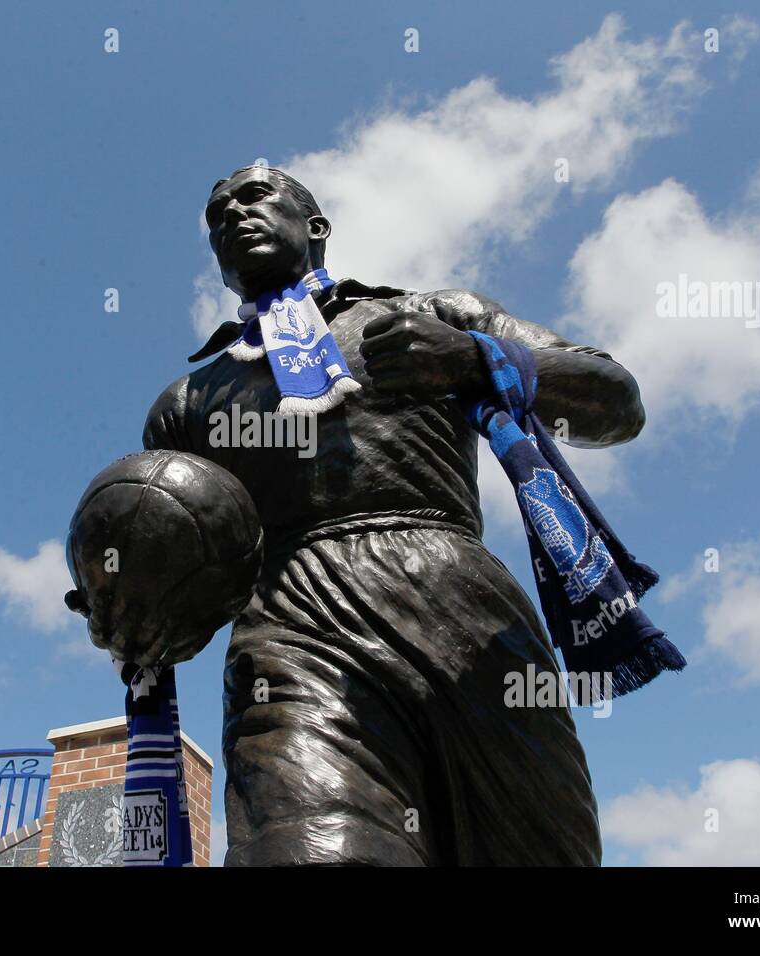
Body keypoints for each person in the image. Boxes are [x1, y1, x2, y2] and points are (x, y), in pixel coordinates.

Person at [141, 165, 646, 865]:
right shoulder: (188, 403)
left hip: (467, 619)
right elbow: (175, 574)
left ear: (316, 227)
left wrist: (475, 359)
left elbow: (617, 402)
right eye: (215, 215)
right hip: (292, 635)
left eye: (253, 198)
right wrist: (132, 602)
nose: (230, 216)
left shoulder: (434, 315)